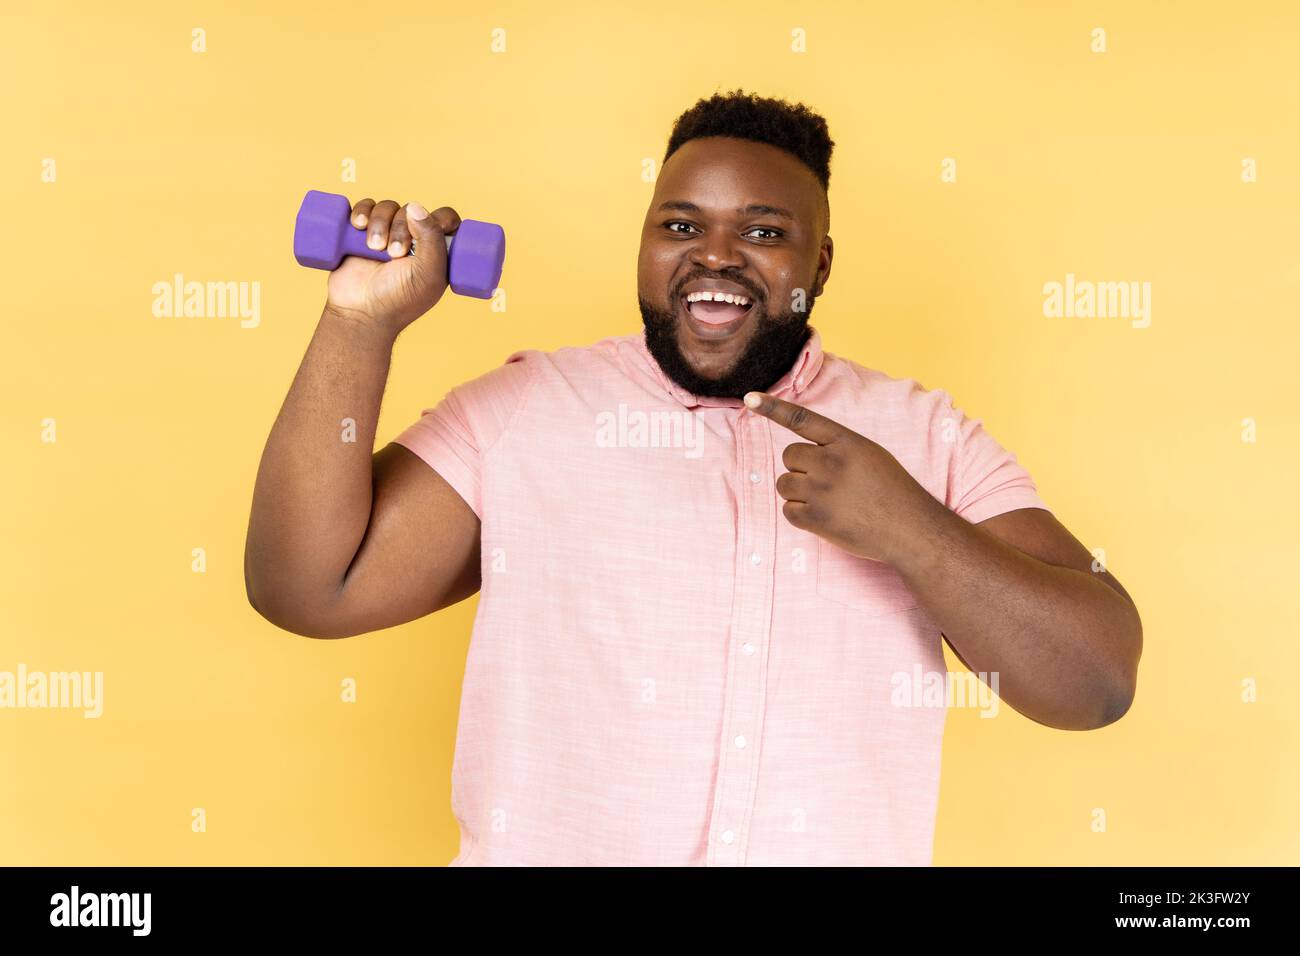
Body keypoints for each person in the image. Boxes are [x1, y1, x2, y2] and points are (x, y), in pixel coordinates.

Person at [244, 89, 1142, 866]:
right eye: (681, 226)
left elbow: (1096, 683)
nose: (716, 255)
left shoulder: (927, 435)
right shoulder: (528, 411)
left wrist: (911, 529)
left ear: (818, 265)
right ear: (644, 245)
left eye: (763, 231)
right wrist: (360, 325)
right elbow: (308, 589)